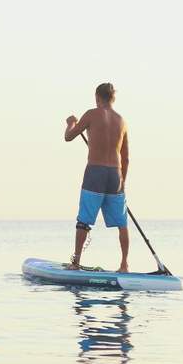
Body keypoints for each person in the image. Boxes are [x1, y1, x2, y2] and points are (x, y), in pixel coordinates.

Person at [63, 83, 130, 272]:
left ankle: (75, 263)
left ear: (97, 97)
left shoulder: (91, 114)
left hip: (95, 172)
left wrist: (71, 123)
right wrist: (122, 181)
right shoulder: (121, 121)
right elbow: (126, 157)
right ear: (113, 98)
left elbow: (69, 137)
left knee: (84, 220)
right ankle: (124, 264)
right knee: (122, 223)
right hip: (115, 175)